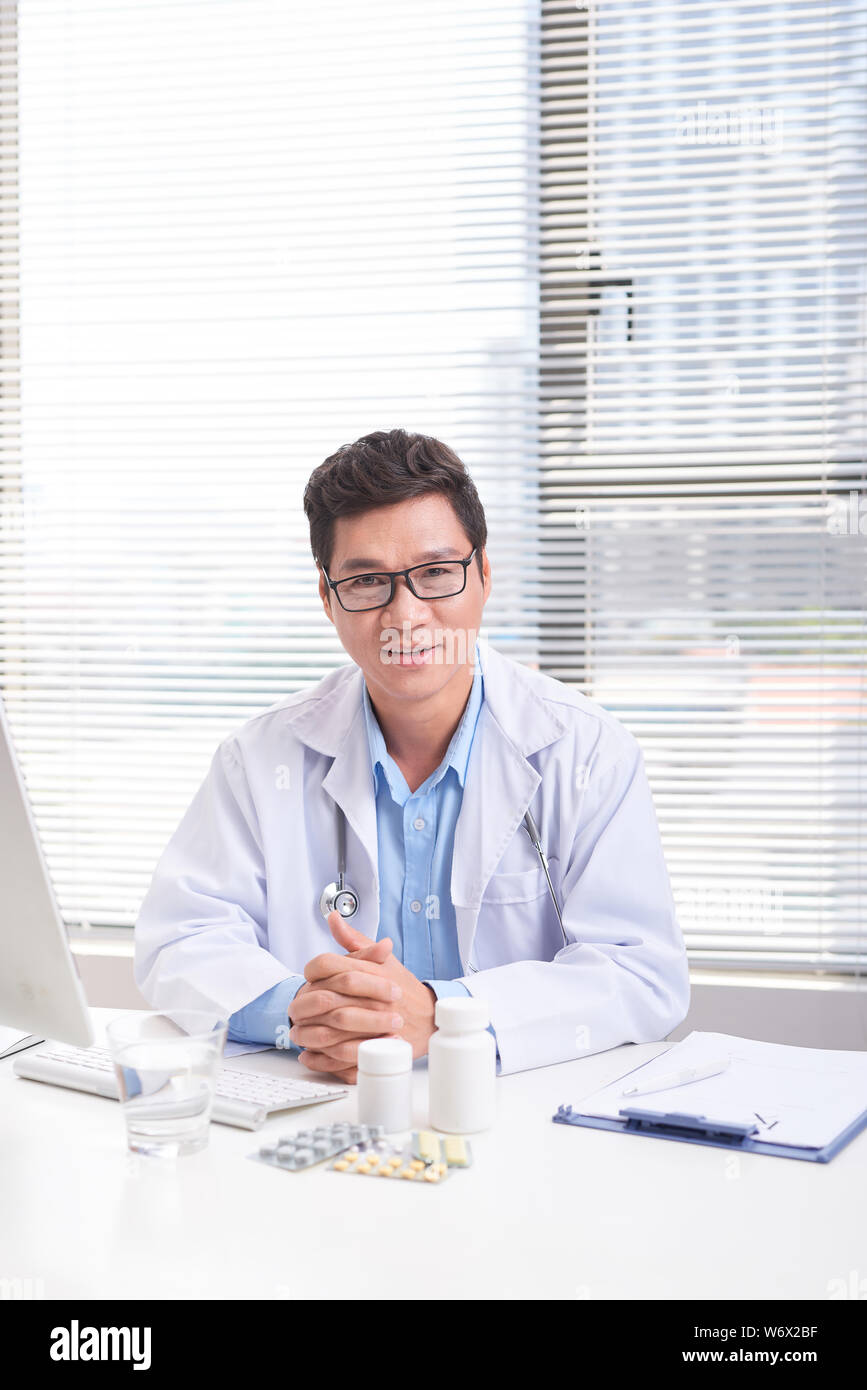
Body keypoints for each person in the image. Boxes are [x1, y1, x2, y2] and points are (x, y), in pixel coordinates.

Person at [134, 428, 690, 1078]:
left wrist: (442, 1012)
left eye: (434, 573)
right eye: (367, 581)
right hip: (327, 1109)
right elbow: (179, 940)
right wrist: (304, 1011)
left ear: (482, 574)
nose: (405, 615)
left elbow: (641, 972)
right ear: (326, 597)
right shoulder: (258, 759)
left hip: (519, 1118)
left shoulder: (586, 751)